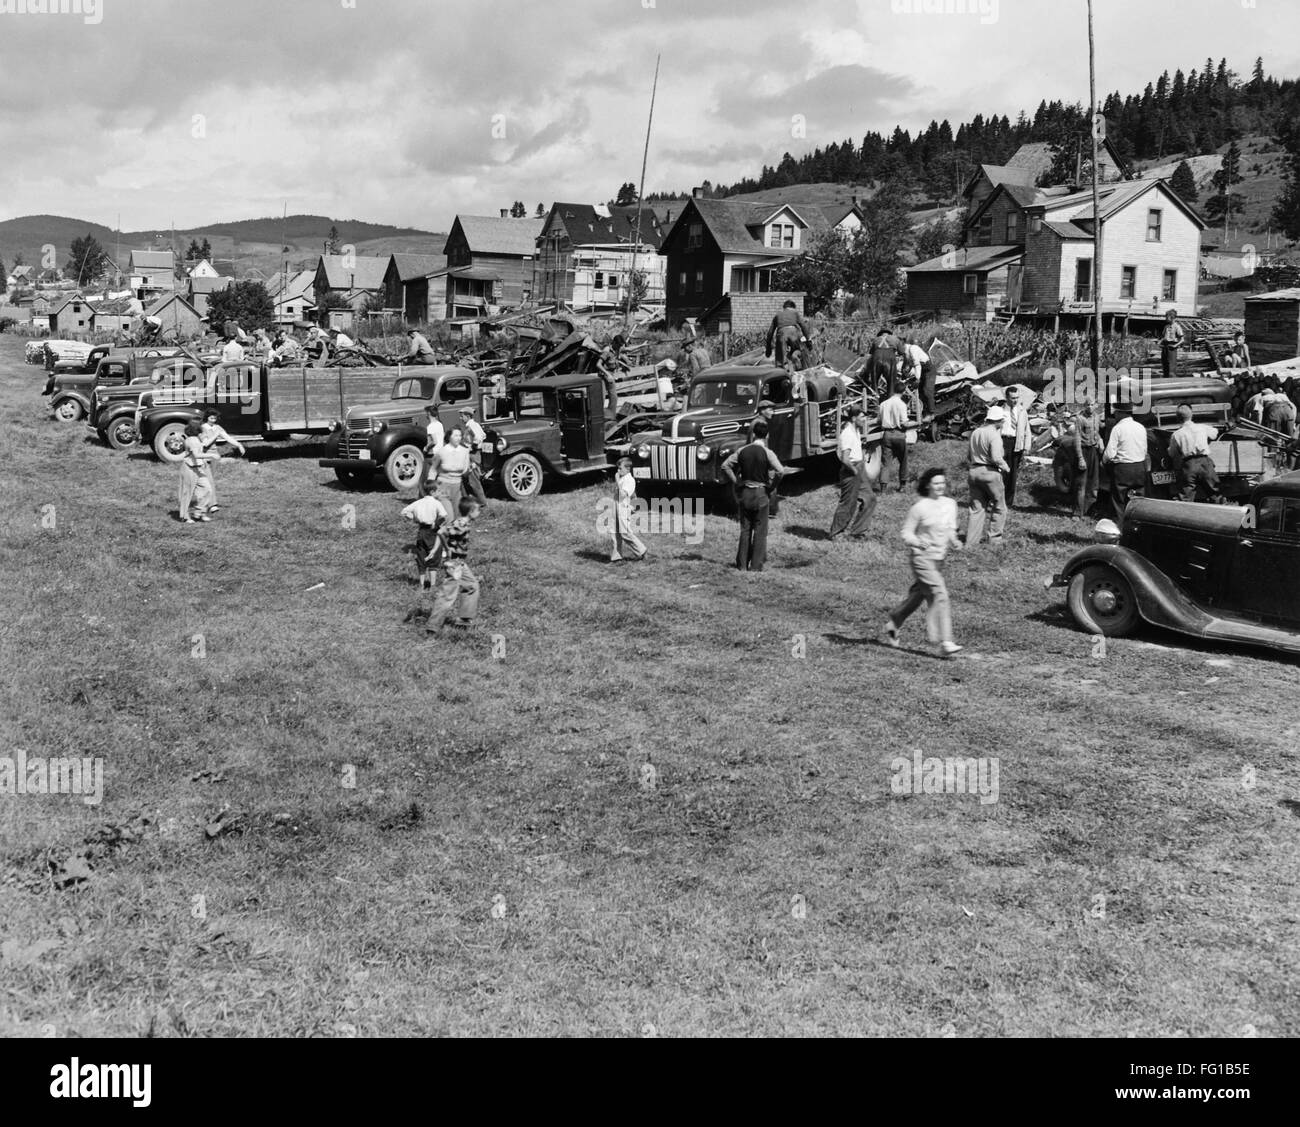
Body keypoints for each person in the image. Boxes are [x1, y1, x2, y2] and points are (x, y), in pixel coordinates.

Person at [883, 467, 963, 658]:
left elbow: (950, 528)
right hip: (921, 558)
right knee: (940, 594)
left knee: (918, 596)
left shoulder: (951, 504)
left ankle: (894, 621)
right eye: (936, 483)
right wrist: (918, 542)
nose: (940, 486)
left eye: (942, 483)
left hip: (939, 559)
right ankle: (946, 642)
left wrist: (954, 540)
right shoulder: (920, 507)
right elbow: (906, 533)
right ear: (928, 485)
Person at [721, 419, 784, 573]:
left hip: (745, 492)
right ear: (767, 435)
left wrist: (737, 482)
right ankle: (756, 566)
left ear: (753, 434)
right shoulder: (768, 453)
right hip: (761, 493)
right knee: (760, 531)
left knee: (745, 529)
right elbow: (780, 471)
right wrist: (772, 486)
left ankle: (742, 565)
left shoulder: (742, 451)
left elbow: (725, 466)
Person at [425, 497, 482, 634]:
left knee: (472, 585)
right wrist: (447, 548)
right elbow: (441, 532)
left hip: (460, 563)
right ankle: (432, 626)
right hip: (454, 564)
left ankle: (464, 620)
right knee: (447, 595)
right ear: (471, 511)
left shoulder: (464, 523)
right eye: (478, 510)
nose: (479, 512)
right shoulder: (460, 523)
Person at [829, 405, 877, 540]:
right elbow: (845, 458)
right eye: (862, 417)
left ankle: (857, 531)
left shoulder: (855, 430)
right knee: (848, 503)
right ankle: (836, 533)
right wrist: (855, 470)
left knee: (870, 499)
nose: (864, 420)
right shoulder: (847, 434)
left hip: (859, 467)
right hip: (851, 470)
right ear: (854, 418)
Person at [966, 405, 1010, 548]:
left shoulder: (976, 432)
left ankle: (971, 542)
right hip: (990, 473)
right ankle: (994, 539)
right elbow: (996, 457)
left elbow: (968, 455)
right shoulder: (994, 435)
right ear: (997, 420)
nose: (1003, 423)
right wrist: (1006, 467)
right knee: (999, 507)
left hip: (974, 471)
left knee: (976, 508)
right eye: (1002, 420)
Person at [1102, 402, 1150, 521]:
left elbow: (1110, 453)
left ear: (1121, 413)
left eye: (1116, 412)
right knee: (1138, 499)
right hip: (1140, 466)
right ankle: (1138, 523)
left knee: (1119, 500)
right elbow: (1144, 450)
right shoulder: (1140, 427)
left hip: (1123, 469)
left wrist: (1103, 461)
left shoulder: (1118, 428)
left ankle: (1121, 527)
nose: (1115, 415)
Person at [1168, 405, 1224, 504]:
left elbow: (1172, 453)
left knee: (1186, 496)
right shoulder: (1202, 428)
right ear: (1191, 415)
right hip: (1205, 463)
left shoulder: (1176, 434)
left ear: (1178, 417)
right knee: (1214, 492)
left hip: (1189, 465)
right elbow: (1214, 434)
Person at [401, 490, 450, 594]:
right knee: (434, 557)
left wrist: (414, 518)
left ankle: (421, 585)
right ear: (433, 491)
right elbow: (444, 516)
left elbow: (404, 511)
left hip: (421, 531)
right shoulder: (436, 503)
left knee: (421, 556)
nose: (439, 493)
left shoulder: (419, 502)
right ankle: (432, 585)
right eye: (437, 491)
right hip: (432, 531)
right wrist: (436, 523)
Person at [199, 409, 245, 514]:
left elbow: (228, 437)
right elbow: (205, 444)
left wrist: (239, 445)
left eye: (215, 417)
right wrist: (216, 435)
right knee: (208, 481)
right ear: (207, 417)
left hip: (214, 456)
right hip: (205, 456)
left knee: (210, 481)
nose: (213, 419)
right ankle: (212, 505)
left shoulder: (218, 428)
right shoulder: (202, 428)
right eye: (211, 417)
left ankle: (204, 504)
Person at [177, 420, 218, 524]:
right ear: (196, 429)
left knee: (207, 489)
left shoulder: (196, 439)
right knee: (187, 493)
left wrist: (203, 461)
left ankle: (199, 512)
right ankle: (185, 517)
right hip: (189, 468)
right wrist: (212, 455)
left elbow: (199, 454)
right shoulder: (191, 440)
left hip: (198, 468)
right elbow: (196, 455)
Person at [610, 458, 649, 563]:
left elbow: (623, 494)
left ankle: (642, 551)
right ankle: (617, 557)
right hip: (616, 506)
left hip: (623, 508)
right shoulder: (623, 478)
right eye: (618, 468)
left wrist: (617, 480)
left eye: (620, 468)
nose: (618, 471)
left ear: (628, 468)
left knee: (625, 533)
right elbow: (633, 494)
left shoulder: (629, 480)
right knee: (615, 533)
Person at [1071, 397, 1104, 519]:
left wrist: (1100, 440)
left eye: (1092, 404)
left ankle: (1087, 511)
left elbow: (1098, 430)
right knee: (1081, 484)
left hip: (1094, 451)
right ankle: (1076, 512)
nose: (1089, 407)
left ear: (1096, 405)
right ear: (1084, 406)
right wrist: (1080, 458)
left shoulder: (1097, 417)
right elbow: (1077, 438)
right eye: (1087, 405)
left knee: (1094, 484)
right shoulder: (1080, 419)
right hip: (1083, 451)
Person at [428, 426, 470, 516]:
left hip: (457, 487)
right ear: (449, 437)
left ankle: (446, 529)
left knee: (457, 515)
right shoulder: (441, 452)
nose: (458, 438)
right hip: (442, 486)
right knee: (448, 516)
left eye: (460, 435)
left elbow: (465, 471)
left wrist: (470, 470)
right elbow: (433, 469)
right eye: (455, 435)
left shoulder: (465, 452)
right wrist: (430, 487)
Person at [1000, 387, 1032, 506]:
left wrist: (1027, 446)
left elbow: (1027, 430)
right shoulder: (1000, 410)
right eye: (1013, 398)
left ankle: (1009, 502)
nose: (1015, 400)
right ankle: (998, 499)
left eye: (1017, 397)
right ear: (1006, 397)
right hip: (1002, 442)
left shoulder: (1022, 411)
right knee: (1001, 472)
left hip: (1016, 443)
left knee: (1013, 473)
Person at [877, 386, 911, 493]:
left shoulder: (883, 404)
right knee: (903, 460)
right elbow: (904, 423)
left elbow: (879, 421)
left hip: (887, 434)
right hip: (899, 434)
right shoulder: (902, 404)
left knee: (886, 463)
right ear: (903, 391)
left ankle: (883, 489)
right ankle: (902, 486)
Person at [457, 406, 489, 506]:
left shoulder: (472, 426)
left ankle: (482, 502)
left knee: (473, 480)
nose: (460, 418)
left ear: (467, 416)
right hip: (470, 454)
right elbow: (484, 435)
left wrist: (472, 447)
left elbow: (479, 438)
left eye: (462, 416)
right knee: (466, 478)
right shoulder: (471, 425)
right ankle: (469, 500)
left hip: (473, 455)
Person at [764, 299, 810, 368]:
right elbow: (803, 326)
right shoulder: (795, 312)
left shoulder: (777, 315)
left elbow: (770, 333)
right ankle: (796, 358)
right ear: (793, 307)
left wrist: (768, 349)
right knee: (800, 349)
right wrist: (808, 341)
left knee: (779, 360)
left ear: (784, 307)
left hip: (781, 334)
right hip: (793, 333)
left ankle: (780, 371)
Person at [865, 327, 902, 395]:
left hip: (876, 358)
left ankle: (874, 398)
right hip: (890, 358)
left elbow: (871, 352)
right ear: (889, 333)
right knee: (891, 380)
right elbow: (901, 352)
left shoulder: (875, 339)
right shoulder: (895, 339)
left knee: (875, 380)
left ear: (880, 334)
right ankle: (890, 397)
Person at [1160, 310, 1184, 380]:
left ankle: (1172, 381)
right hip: (1165, 346)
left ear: (1172, 317)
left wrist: (1175, 346)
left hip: (1172, 347)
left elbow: (1182, 340)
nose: (1166, 318)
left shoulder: (1177, 327)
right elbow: (1163, 337)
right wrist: (1159, 342)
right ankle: (1165, 379)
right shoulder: (1166, 326)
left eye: (1167, 317)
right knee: (1165, 363)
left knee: (1171, 365)